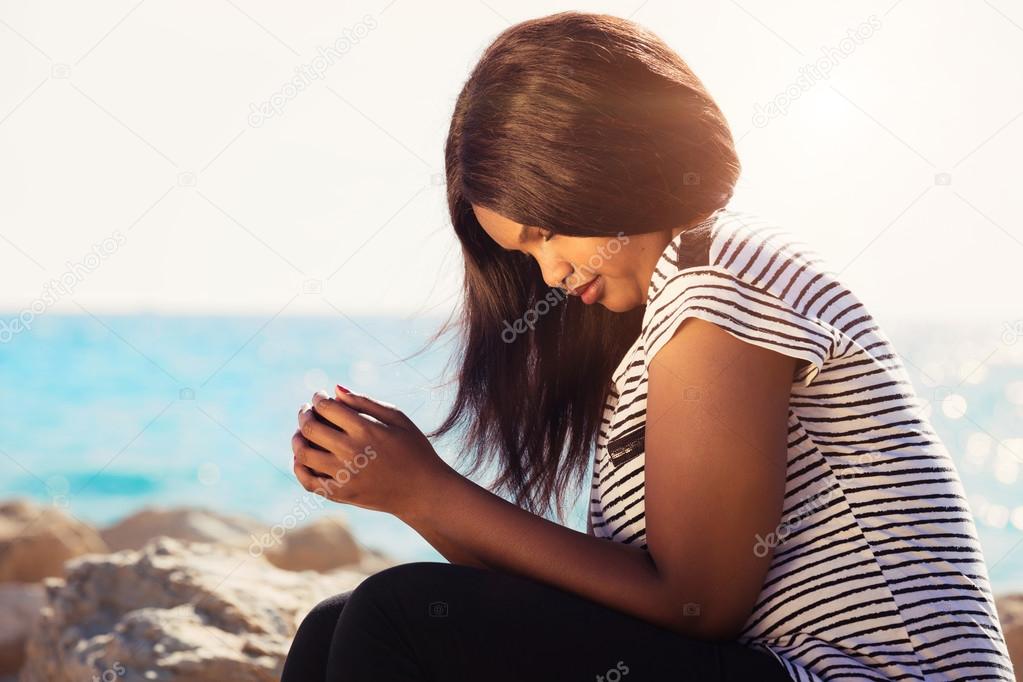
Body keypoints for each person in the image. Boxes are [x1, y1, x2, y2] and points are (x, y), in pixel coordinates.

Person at [283, 10, 1015, 681]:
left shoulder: (719, 285)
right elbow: (604, 616)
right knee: (332, 629)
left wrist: (432, 490)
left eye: (545, 232)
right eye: (522, 254)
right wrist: (416, 502)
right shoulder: (659, 322)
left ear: (604, 166)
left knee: (396, 613)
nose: (550, 273)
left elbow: (698, 607)